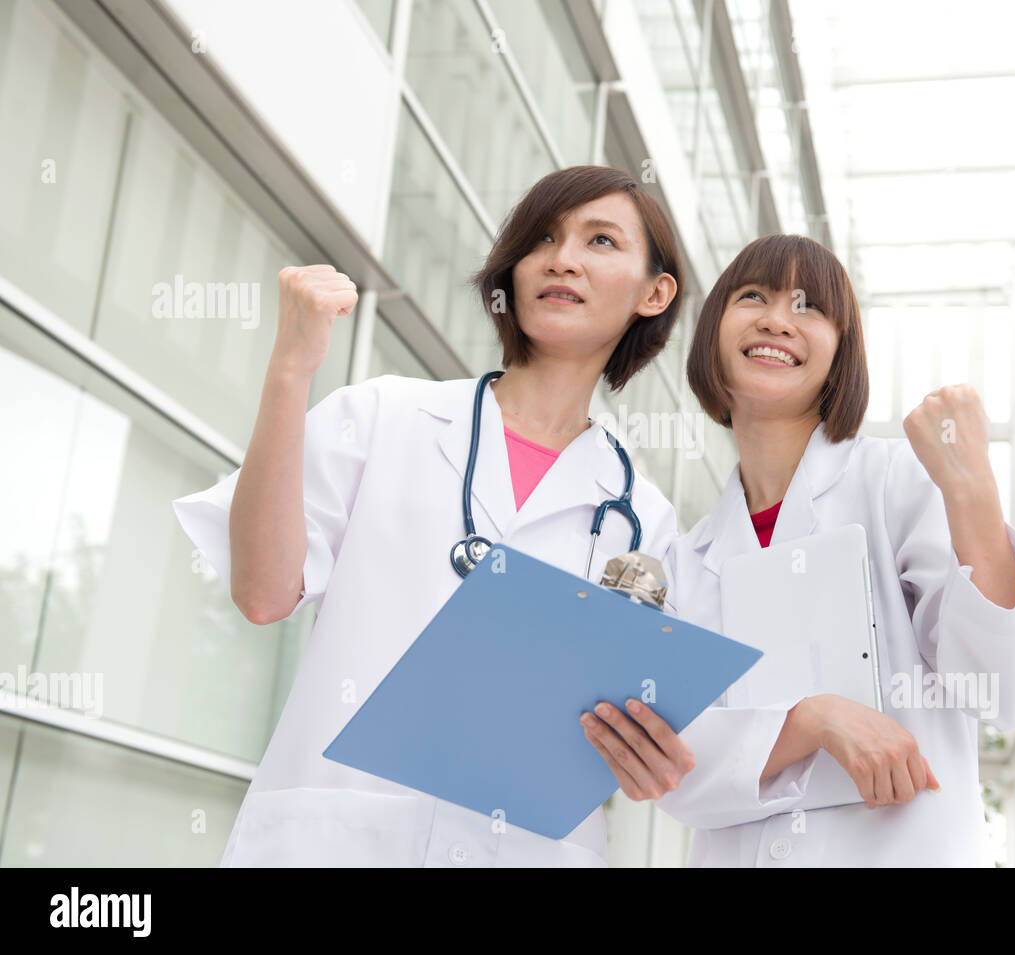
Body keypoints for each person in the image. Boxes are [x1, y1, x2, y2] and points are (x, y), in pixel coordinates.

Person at [172, 165, 684, 867]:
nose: (562, 257)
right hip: (336, 837)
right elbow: (263, 592)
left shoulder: (644, 519)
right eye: (542, 238)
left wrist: (647, 760)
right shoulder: (383, 415)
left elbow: (634, 730)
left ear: (655, 292)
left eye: (600, 240)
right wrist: (292, 367)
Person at [581, 233, 1015, 866]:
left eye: (808, 307)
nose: (777, 319)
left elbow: (1003, 690)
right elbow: (674, 771)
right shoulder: (687, 561)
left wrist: (972, 492)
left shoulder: (898, 483)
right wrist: (811, 721)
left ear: (841, 354)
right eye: (754, 297)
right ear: (714, 333)